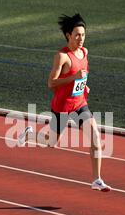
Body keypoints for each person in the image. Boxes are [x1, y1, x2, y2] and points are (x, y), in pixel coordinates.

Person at [19, 13, 111, 192]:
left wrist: (84, 86)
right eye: (77, 35)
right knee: (51, 142)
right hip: (62, 106)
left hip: (79, 104)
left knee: (95, 137)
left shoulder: (84, 52)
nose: (81, 39)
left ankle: (97, 179)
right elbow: (51, 83)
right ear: (68, 35)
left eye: (83, 35)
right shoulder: (62, 56)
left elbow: (82, 75)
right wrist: (72, 78)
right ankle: (29, 134)